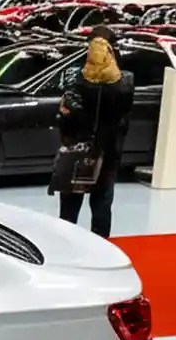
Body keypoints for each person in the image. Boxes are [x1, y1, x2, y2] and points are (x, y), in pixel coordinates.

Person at [56, 26, 133, 238]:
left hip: (76, 151)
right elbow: (123, 122)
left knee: (70, 207)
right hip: (107, 153)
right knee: (101, 205)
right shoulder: (125, 84)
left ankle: (64, 246)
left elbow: (66, 119)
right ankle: (101, 249)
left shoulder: (75, 80)